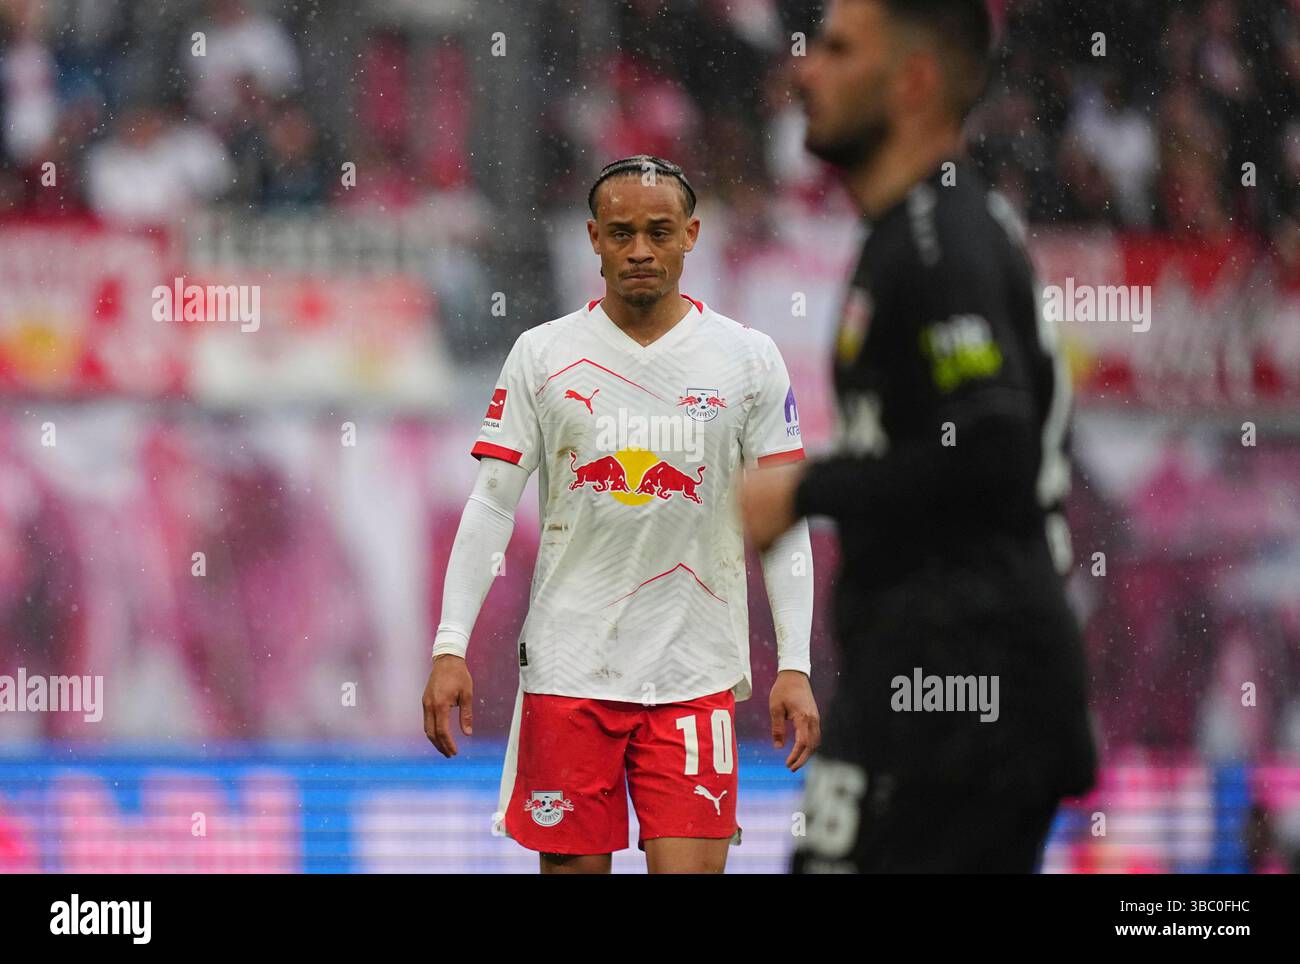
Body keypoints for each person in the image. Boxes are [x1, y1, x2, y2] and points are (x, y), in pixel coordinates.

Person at [741, 0, 1097, 873]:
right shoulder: (919, 228)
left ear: (913, 81)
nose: (804, 70)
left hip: (959, 688)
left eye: (836, 50)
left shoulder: (939, 239)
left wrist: (802, 491)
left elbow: (993, 454)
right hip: (951, 680)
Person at [423, 155, 820, 874]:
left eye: (660, 232)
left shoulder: (748, 359)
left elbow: (784, 520)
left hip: (695, 672)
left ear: (692, 235)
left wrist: (795, 663)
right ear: (593, 238)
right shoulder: (542, 355)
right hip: (570, 669)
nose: (640, 250)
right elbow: (490, 504)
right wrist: (451, 644)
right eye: (622, 232)